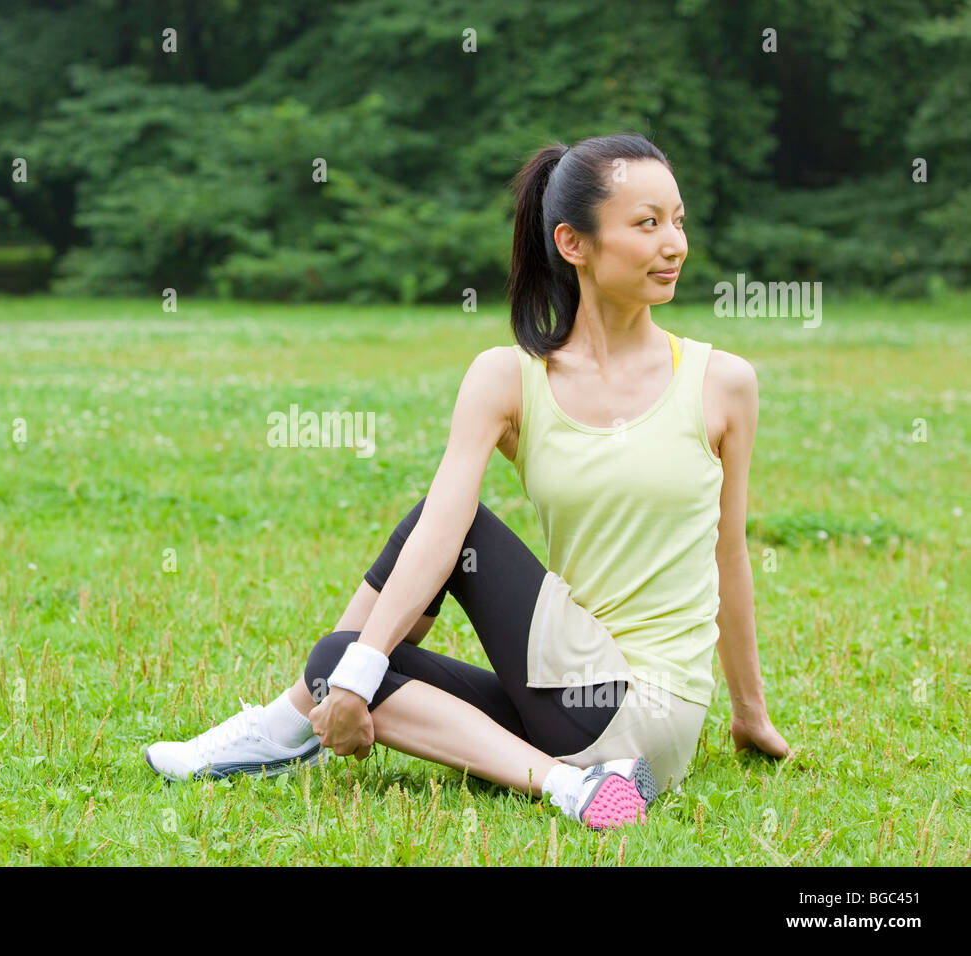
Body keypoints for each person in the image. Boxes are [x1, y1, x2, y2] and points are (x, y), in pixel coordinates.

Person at [145, 132, 791, 831]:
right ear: (574, 243)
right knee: (340, 657)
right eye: (647, 223)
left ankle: (290, 727)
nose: (674, 244)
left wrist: (749, 714)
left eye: (678, 220)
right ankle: (560, 783)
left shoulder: (721, 383)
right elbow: (438, 533)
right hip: (560, 706)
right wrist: (358, 674)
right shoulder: (510, 378)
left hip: (644, 710)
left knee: (435, 546)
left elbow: (729, 554)